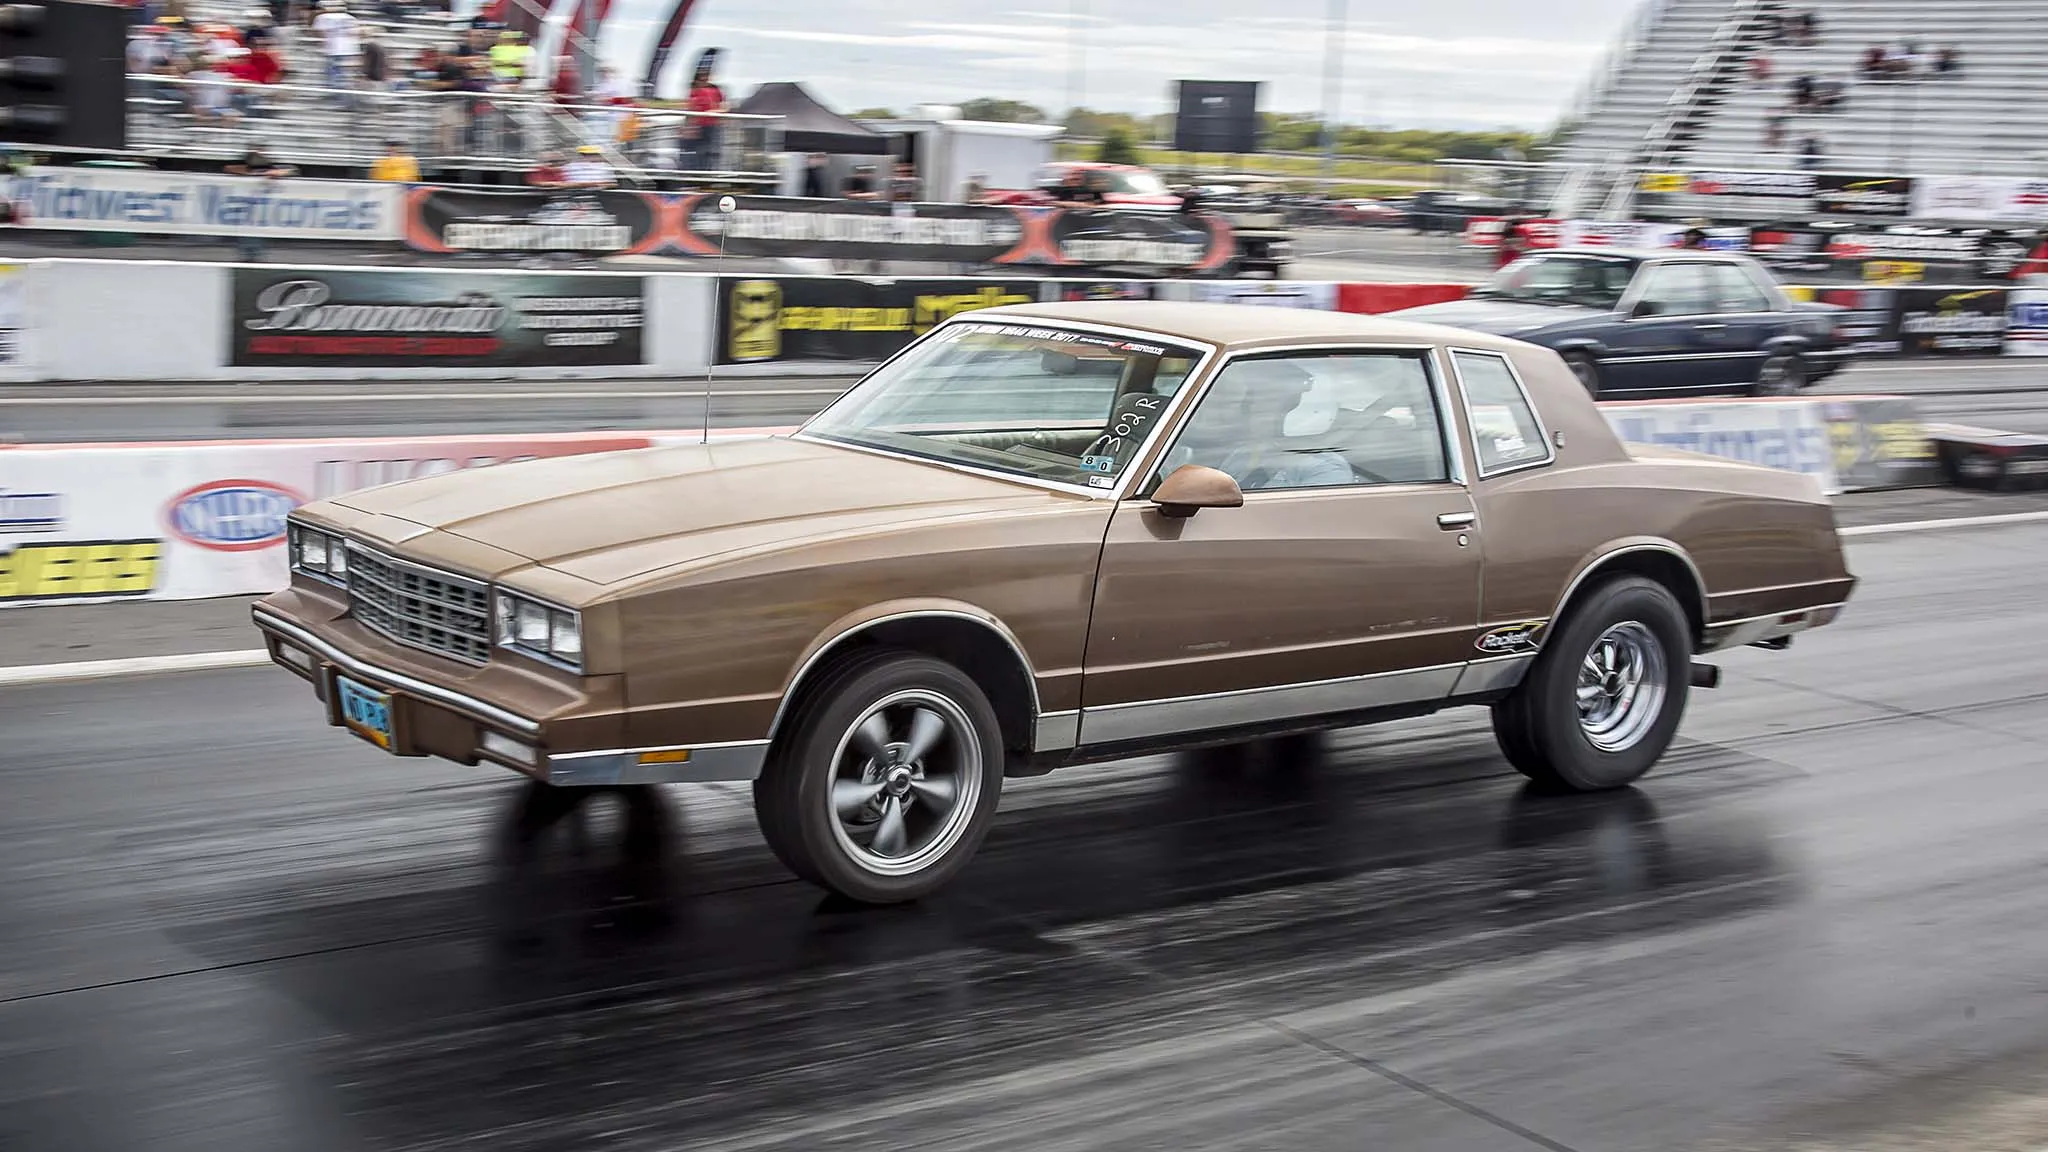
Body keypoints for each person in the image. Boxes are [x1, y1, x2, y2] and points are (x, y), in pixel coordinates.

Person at [1174, 360, 1351, 491]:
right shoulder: (1247, 453)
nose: (1245, 409)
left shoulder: (1325, 470)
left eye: (1256, 402)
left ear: (1295, 408)